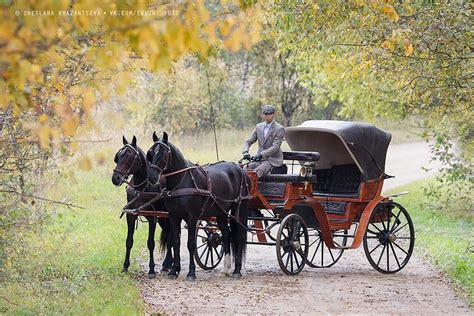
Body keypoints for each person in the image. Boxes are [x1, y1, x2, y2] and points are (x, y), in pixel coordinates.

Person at [242, 105, 285, 178]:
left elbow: (276, 147)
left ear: (273, 114)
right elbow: (248, 141)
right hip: (259, 160)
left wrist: (261, 154)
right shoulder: (258, 126)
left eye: (270, 114)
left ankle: (254, 189)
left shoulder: (280, 129)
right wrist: (245, 152)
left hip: (272, 160)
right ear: (263, 115)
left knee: (257, 173)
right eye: (266, 114)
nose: (268, 116)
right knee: (245, 170)